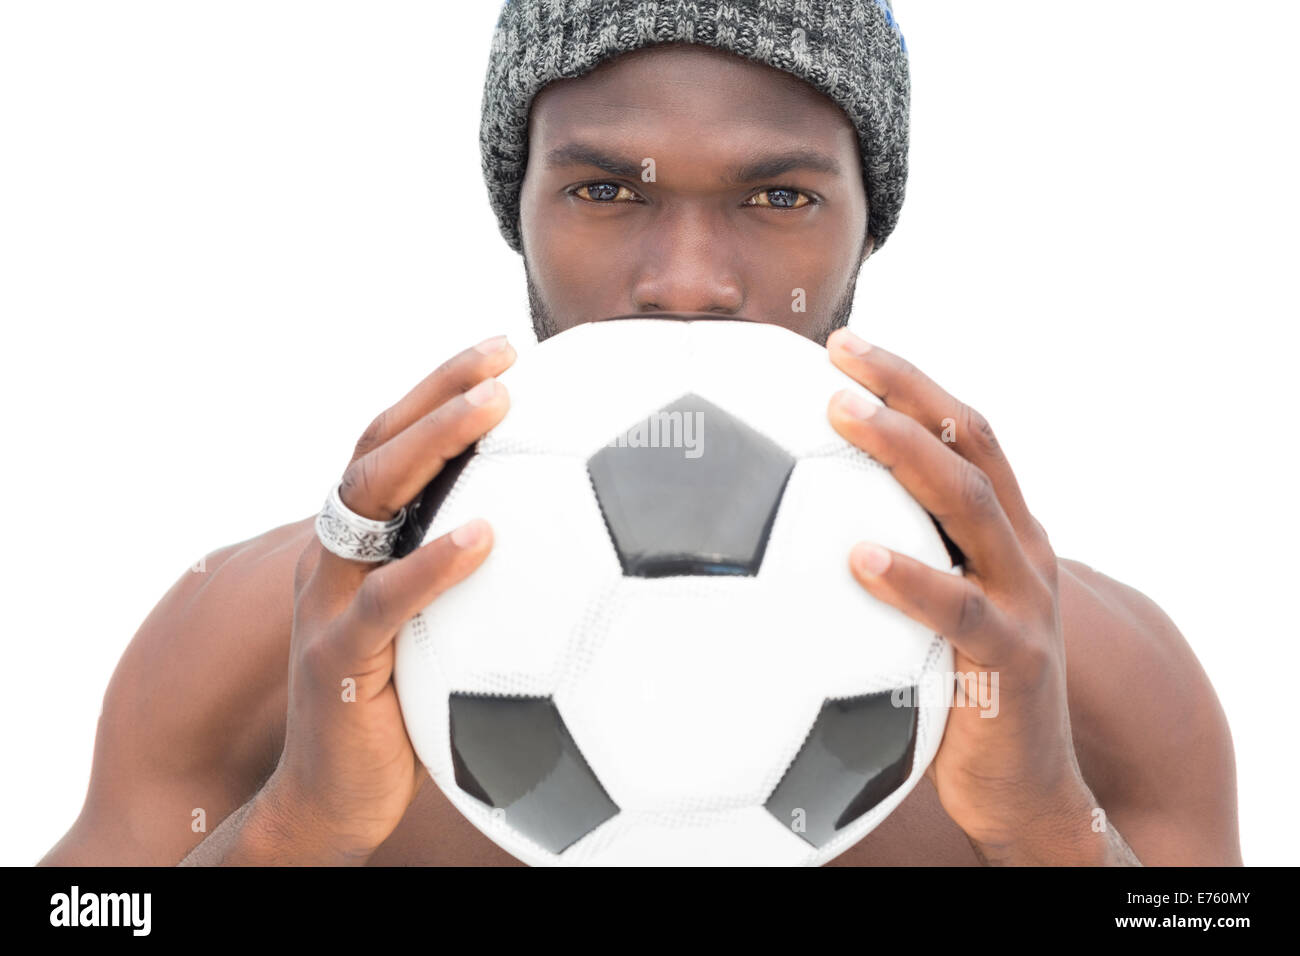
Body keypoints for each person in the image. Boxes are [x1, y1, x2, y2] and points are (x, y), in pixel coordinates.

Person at [41, 0, 1239, 867]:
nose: (686, 282)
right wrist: (296, 830)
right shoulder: (270, 632)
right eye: (605, 191)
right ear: (514, 210)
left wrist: (1046, 827)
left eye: (780, 197)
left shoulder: (1088, 671)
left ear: (872, 225)